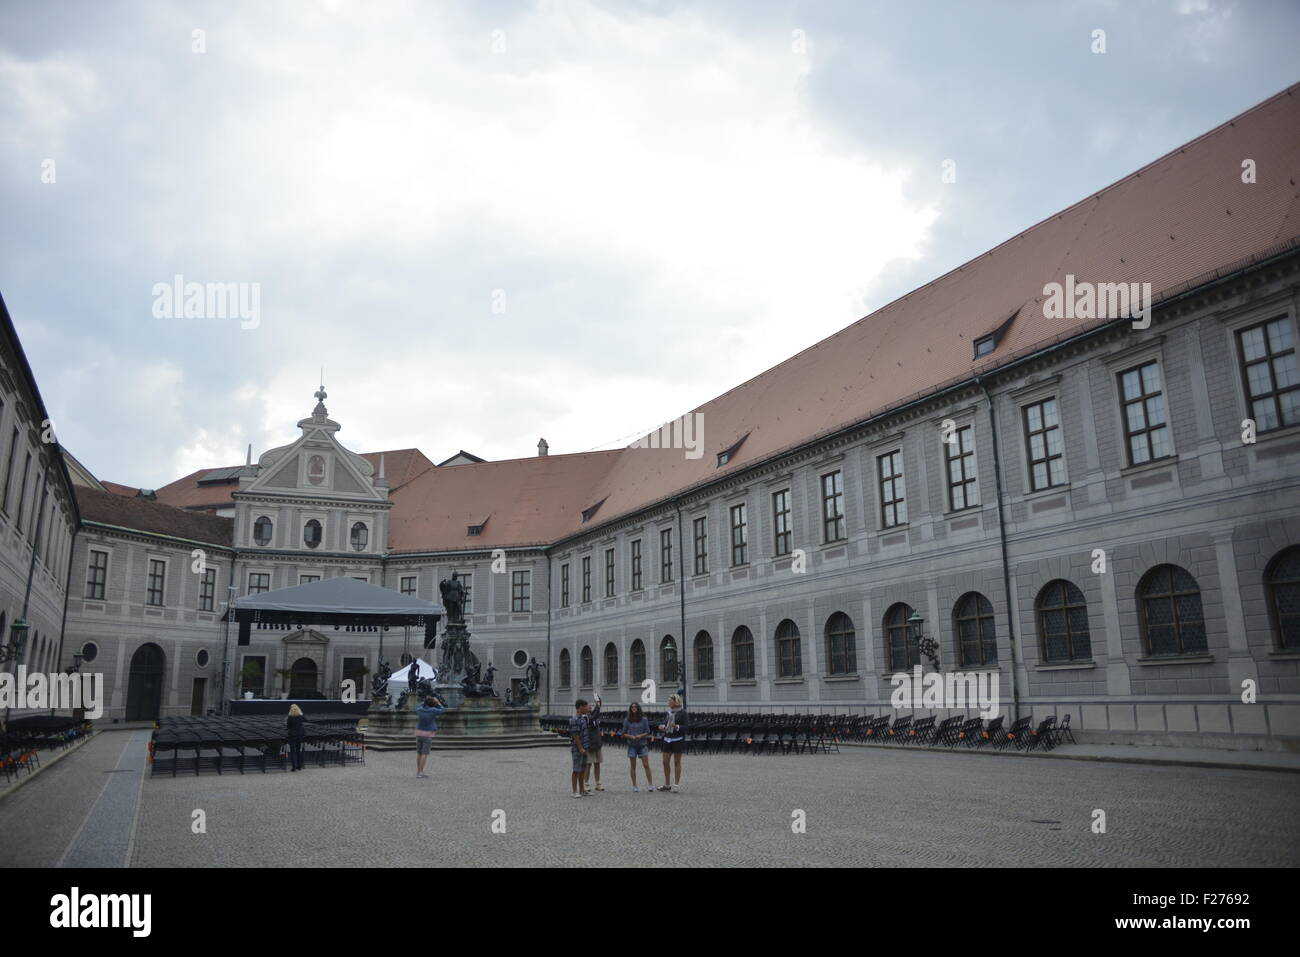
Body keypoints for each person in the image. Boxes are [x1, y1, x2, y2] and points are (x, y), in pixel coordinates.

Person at [657, 694, 687, 793]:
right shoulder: (669, 712)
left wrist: (677, 726)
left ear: (676, 702)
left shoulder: (683, 713)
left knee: (676, 762)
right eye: (668, 700)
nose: (668, 702)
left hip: (677, 739)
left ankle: (676, 785)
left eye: (670, 701)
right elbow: (666, 723)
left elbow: (687, 727)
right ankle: (667, 784)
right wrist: (662, 726)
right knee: (665, 762)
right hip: (667, 738)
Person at [621, 701, 654, 792]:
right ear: (630, 709)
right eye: (632, 707)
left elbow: (648, 731)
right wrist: (630, 736)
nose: (634, 708)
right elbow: (623, 734)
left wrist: (641, 735)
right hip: (632, 745)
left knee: (646, 765)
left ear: (638, 708)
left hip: (642, 744)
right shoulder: (627, 720)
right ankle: (634, 785)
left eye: (635, 707)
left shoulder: (644, 719)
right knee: (633, 766)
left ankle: (650, 784)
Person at [415, 694, 446, 778]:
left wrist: (424, 701)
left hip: (419, 733)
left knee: (419, 753)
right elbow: (443, 710)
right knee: (424, 753)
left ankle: (418, 771)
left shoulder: (420, 710)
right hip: (428, 734)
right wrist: (438, 702)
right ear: (432, 703)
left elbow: (417, 706)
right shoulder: (433, 710)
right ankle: (421, 772)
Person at [569, 698, 591, 798]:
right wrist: (581, 748)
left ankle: (582, 790)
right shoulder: (574, 719)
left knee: (582, 770)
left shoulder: (583, 718)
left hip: (585, 747)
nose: (587, 708)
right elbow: (575, 735)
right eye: (586, 706)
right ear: (581, 707)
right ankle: (574, 791)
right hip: (578, 749)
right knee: (576, 770)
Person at [582, 692, 604, 792]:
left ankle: (598, 783)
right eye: (588, 706)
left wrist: (598, 701)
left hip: (597, 744)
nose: (590, 707)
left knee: (597, 764)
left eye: (591, 706)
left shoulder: (593, 715)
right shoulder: (585, 718)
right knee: (588, 764)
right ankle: (585, 783)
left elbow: (596, 711)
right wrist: (598, 705)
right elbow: (594, 716)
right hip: (590, 745)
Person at [286, 704, 306, 772]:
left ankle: (294, 767)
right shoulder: (301, 717)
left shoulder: (290, 717)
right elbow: (306, 720)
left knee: (292, 751)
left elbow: (288, 727)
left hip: (292, 735)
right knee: (298, 750)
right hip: (300, 735)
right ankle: (299, 766)